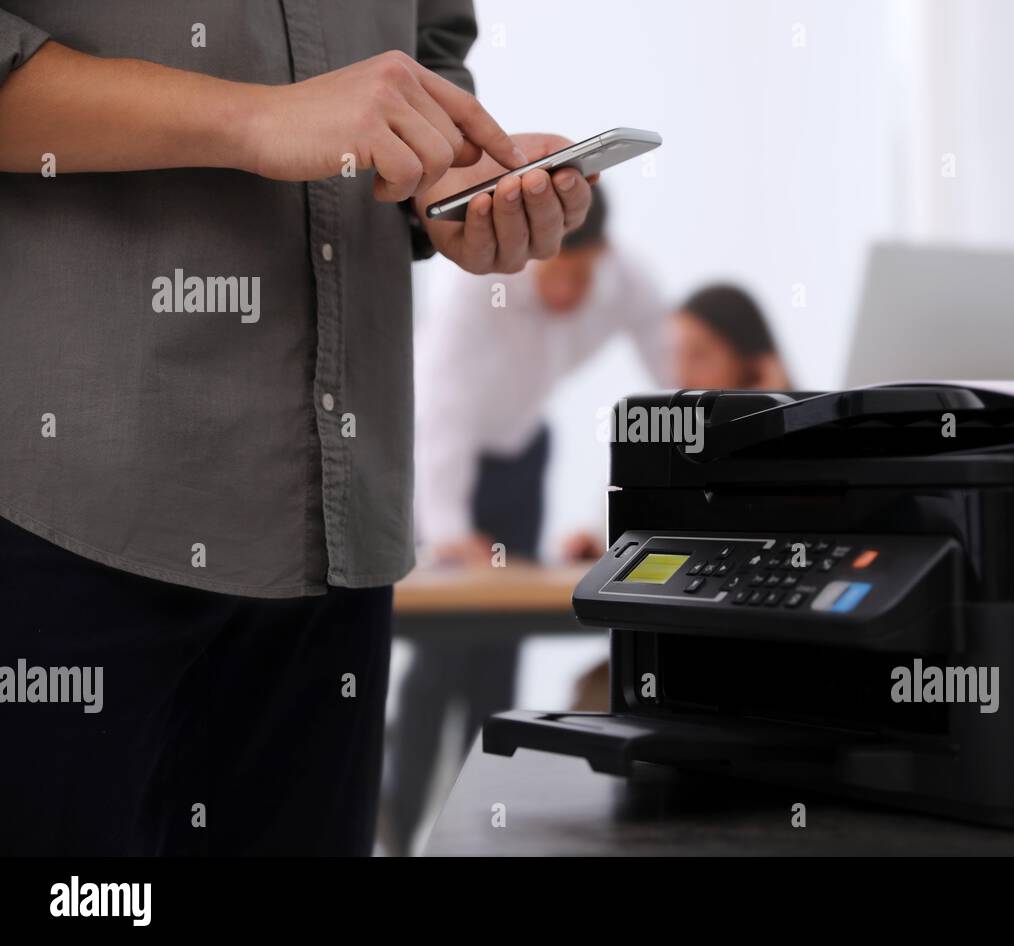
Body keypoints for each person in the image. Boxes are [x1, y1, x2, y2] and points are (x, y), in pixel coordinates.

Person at [0, 1, 592, 856]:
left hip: (339, 524)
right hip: (63, 511)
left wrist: (451, 179)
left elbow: (431, 45)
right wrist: (257, 116)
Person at [383, 184, 667, 855]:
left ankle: (477, 830)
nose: (566, 291)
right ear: (536, 256)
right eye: (555, 271)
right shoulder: (485, 291)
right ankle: (401, 830)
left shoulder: (628, 283)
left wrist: (618, 523)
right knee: (444, 653)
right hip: (440, 458)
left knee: (499, 658)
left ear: (602, 259)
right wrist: (451, 534)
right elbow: (443, 412)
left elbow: (672, 376)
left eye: (580, 274)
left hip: (521, 456)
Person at [568, 283, 790, 710]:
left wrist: (774, 420)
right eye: (676, 354)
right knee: (595, 692)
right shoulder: (662, 446)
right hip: (673, 650)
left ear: (751, 367)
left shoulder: (809, 451)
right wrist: (601, 546)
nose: (682, 372)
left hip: (758, 656)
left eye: (700, 354)